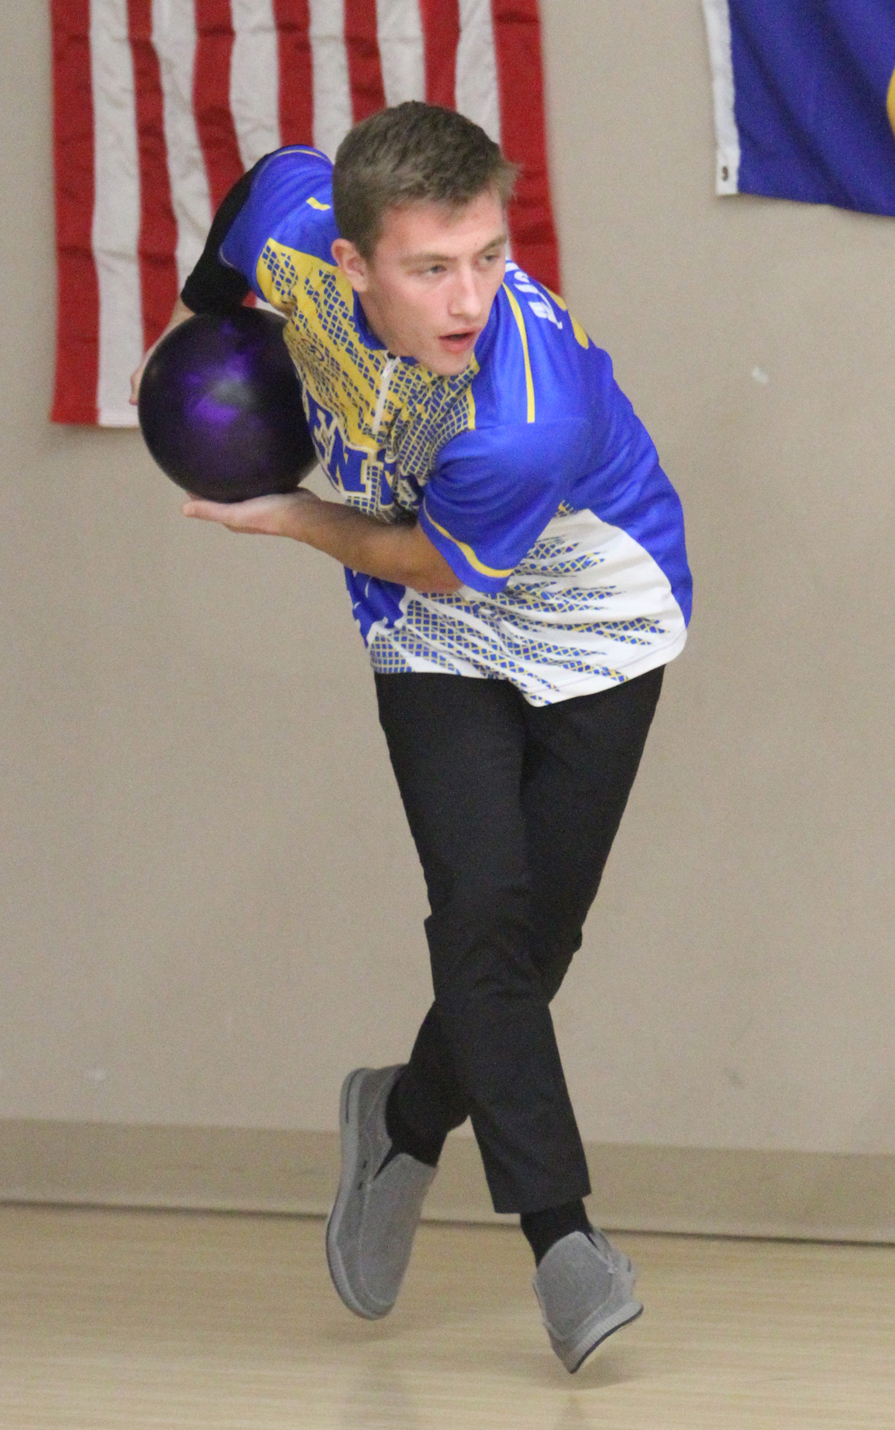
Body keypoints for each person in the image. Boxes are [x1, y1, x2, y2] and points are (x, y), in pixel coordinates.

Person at [132, 102, 691, 1374]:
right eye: (432, 266)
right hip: (432, 634)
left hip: (594, 619)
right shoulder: (297, 223)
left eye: (489, 255)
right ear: (350, 262)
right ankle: (564, 1239)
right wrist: (185, 334)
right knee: (482, 909)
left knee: (535, 941)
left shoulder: (522, 413)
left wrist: (289, 514)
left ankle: (400, 1115)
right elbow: (257, 197)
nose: (470, 296)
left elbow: (432, 556)